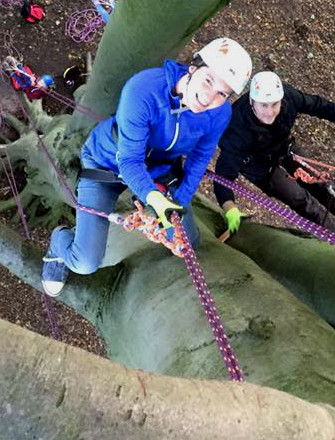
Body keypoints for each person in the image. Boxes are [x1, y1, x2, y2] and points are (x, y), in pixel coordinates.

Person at [41, 37, 253, 296]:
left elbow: (200, 157)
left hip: (159, 170)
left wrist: (179, 200)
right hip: (106, 165)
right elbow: (129, 161)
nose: (209, 98)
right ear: (193, 68)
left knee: (187, 243)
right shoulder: (144, 90)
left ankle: (157, 202)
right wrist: (155, 199)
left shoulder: (219, 113)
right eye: (209, 80)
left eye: (223, 93)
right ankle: (58, 243)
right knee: (84, 263)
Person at [213, 70, 335, 235]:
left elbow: (321, 107)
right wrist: (229, 206)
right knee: (303, 202)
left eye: (274, 104)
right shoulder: (236, 128)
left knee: (323, 185)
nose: (269, 112)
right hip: (260, 167)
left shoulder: (289, 99)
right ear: (252, 101)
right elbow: (224, 173)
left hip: (285, 148)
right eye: (264, 106)